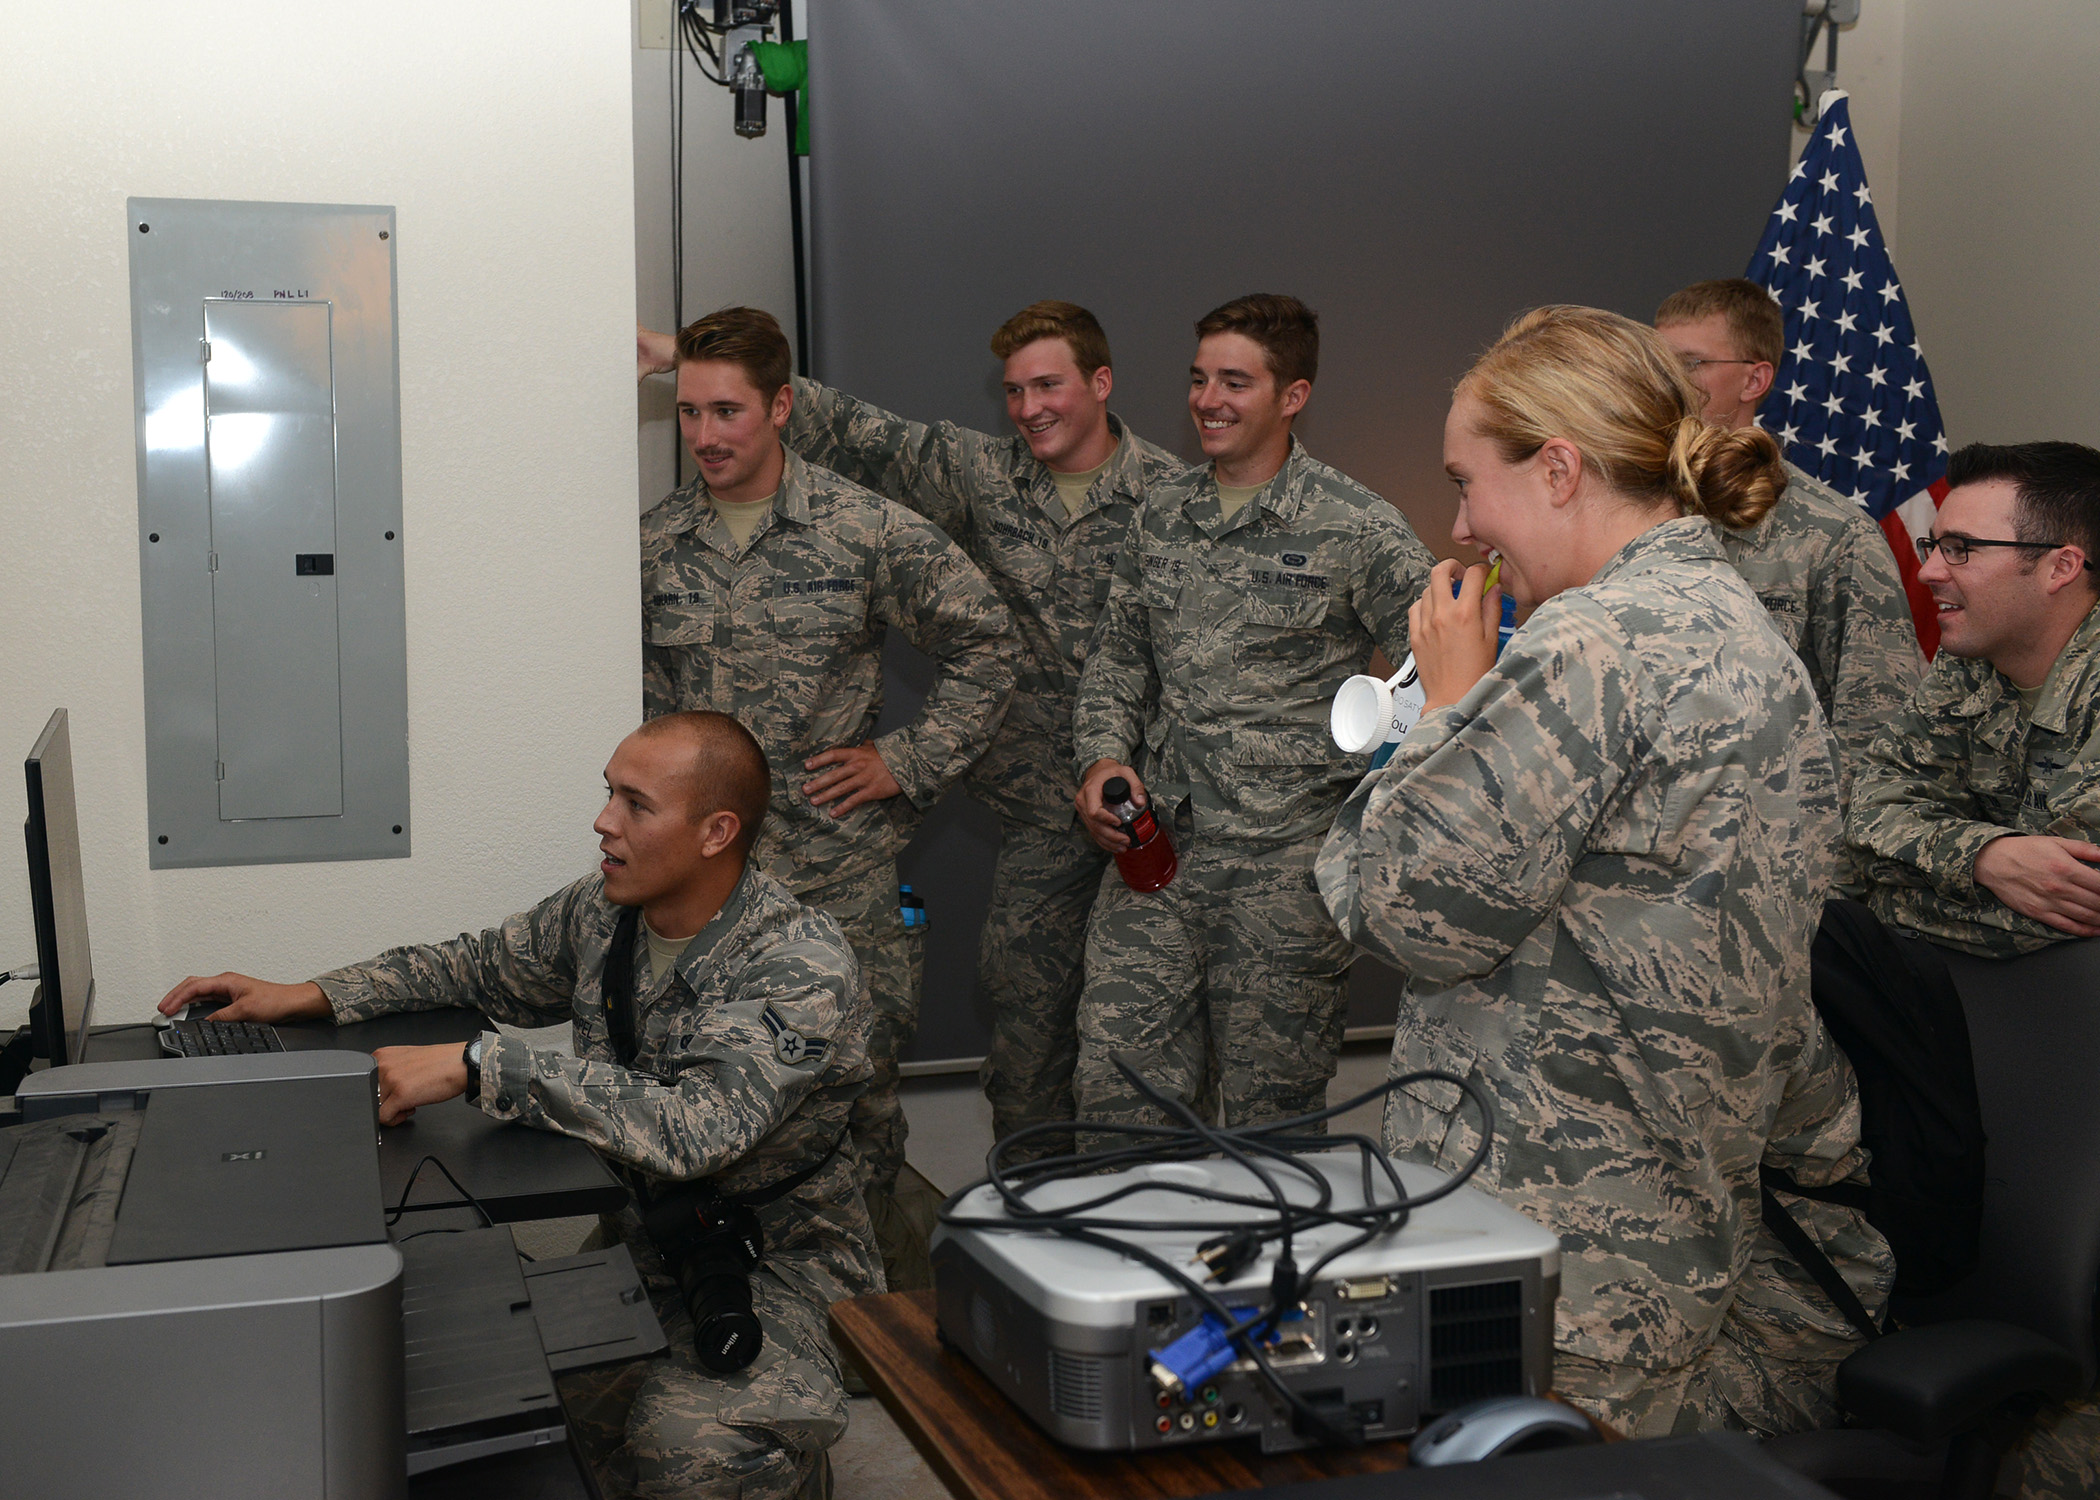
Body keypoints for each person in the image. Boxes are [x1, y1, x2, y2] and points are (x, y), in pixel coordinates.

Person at [1315, 305, 1891, 1437]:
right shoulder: (1731, 621)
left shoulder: (1595, 644)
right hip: (1661, 1208)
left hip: (1562, 1237)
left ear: (1560, 469)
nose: (1463, 525)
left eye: (1467, 483)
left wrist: (1445, 709)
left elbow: (1405, 908)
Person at [156, 712, 878, 1500]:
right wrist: (311, 993)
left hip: (779, 1265)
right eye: (609, 793)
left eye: (636, 805)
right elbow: (475, 967)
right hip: (648, 1248)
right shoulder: (606, 912)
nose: (603, 821)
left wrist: (480, 1065)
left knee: (688, 1446)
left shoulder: (798, 963)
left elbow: (698, 1128)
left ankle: (782, 1465)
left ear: (716, 832)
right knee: (481, 1388)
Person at [650, 301, 1186, 1160]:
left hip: (1152, 808)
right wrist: (685, 352)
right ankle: (1028, 1220)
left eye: (1048, 385)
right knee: (1026, 1038)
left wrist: (905, 758)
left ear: (1101, 382)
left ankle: (1147, 1213)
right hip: (1036, 812)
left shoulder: (1175, 501)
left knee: (1148, 1046)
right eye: (1014, 390)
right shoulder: (982, 474)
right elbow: (870, 434)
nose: (1029, 407)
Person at [643, 307, 1016, 1290]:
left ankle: (869, 1323)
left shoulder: (862, 529)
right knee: (701, 1092)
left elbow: (987, 641)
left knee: (857, 1104)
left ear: (780, 408)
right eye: (688, 412)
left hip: (835, 873)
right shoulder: (653, 547)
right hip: (704, 888)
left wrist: (908, 760)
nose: (706, 435)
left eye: (727, 411)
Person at [1069, 292, 1434, 1140]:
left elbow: (1443, 667)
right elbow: (1120, 656)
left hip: (1285, 874)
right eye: (1200, 379)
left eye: (1235, 382)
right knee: (1118, 1095)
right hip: (1157, 849)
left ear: (1292, 395)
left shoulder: (1356, 526)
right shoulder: (1162, 512)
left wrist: (1377, 776)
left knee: (1275, 1125)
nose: (1208, 400)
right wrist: (1100, 759)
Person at [1837, 440, 2100, 1500]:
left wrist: (1915, 892)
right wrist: (1984, 856)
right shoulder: (1971, 669)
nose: (1930, 567)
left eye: (1960, 548)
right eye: (1934, 542)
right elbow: (1855, 823)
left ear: (2061, 566)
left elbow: (2060, 923)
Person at [1655, 277, 1923, 886]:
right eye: (1656, 363)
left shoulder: (1832, 536)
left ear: (1754, 380)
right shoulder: (1615, 514)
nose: (1666, 382)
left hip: (1767, 875)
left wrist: (1822, 888)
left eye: (1690, 364)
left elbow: (1876, 739)